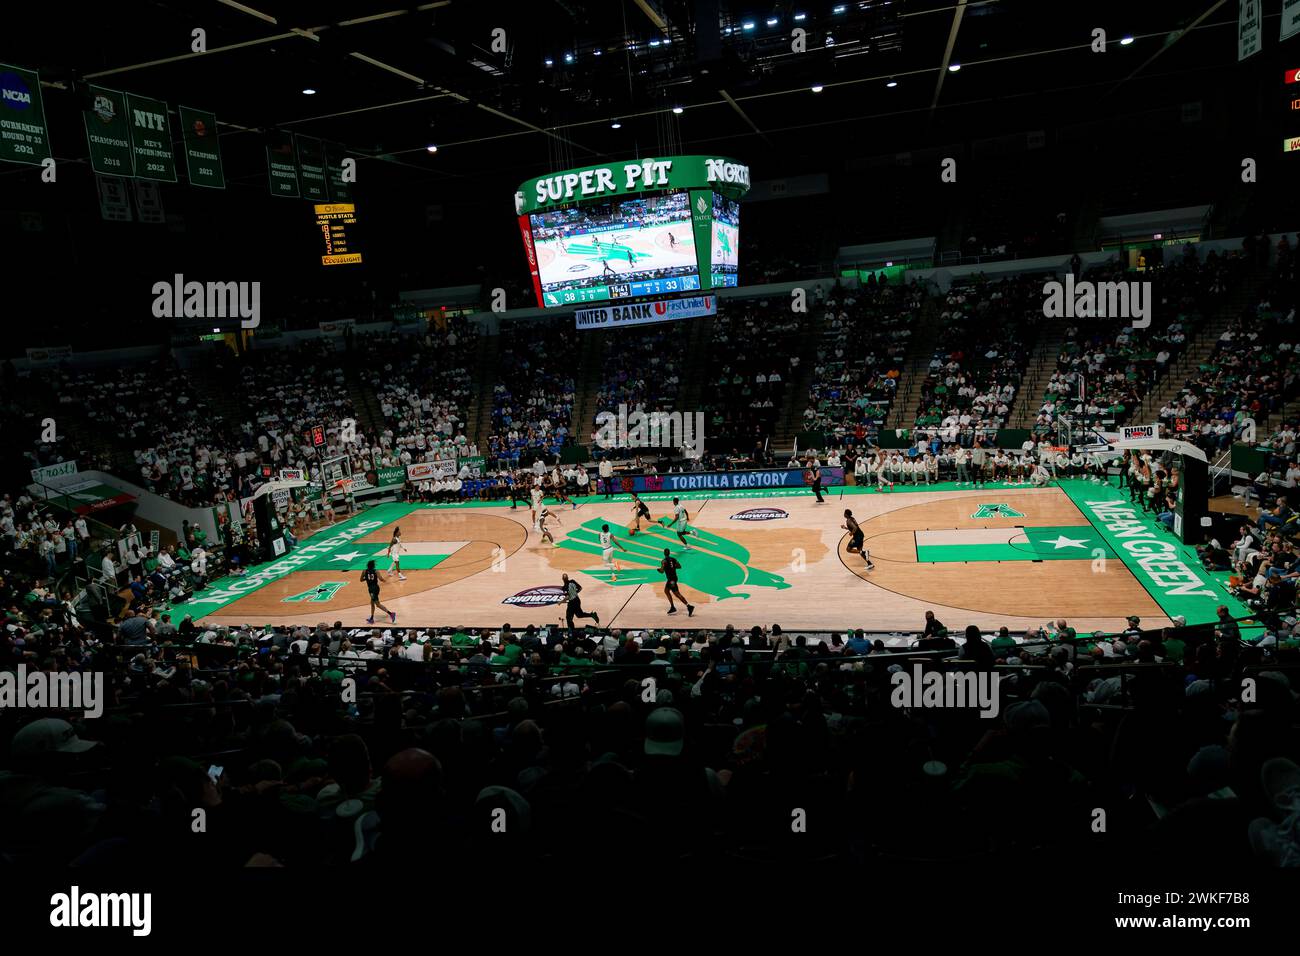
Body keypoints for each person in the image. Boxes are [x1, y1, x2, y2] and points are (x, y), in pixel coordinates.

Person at [657, 548, 694, 616]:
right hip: (674, 577)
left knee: (677, 594)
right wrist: (672, 567)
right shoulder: (673, 559)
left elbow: (662, 571)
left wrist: (659, 570)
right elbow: (679, 566)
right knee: (666, 591)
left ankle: (689, 606)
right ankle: (672, 607)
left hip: (671, 579)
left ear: (664, 553)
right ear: (669, 553)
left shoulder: (663, 561)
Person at [361, 560, 396, 624]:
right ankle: (371, 618)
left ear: (367, 565)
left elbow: (361, 580)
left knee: (377, 604)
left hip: (372, 589)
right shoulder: (376, 571)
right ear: (373, 566)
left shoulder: (364, 571)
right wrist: (386, 581)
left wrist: (366, 578)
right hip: (376, 588)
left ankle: (391, 614)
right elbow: (381, 579)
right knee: (372, 603)